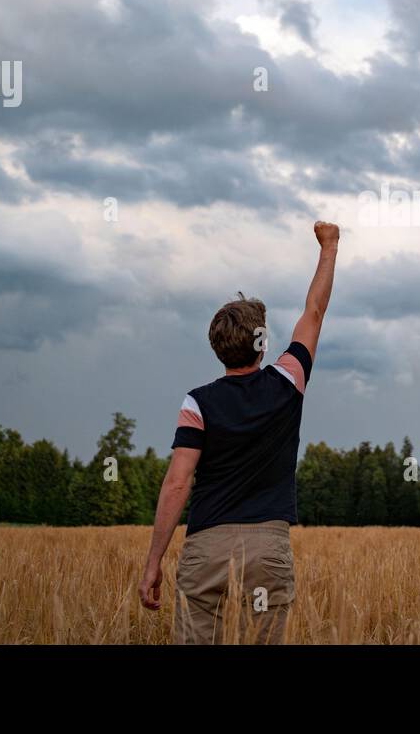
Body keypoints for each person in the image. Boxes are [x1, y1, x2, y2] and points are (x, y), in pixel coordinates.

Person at [137, 220, 340, 643]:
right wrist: (329, 246)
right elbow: (315, 313)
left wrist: (154, 561)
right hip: (268, 551)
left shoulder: (198, 402)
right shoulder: (288, 381)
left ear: (217, 347)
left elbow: (177, 484)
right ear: (263, 344)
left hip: (206, 547)